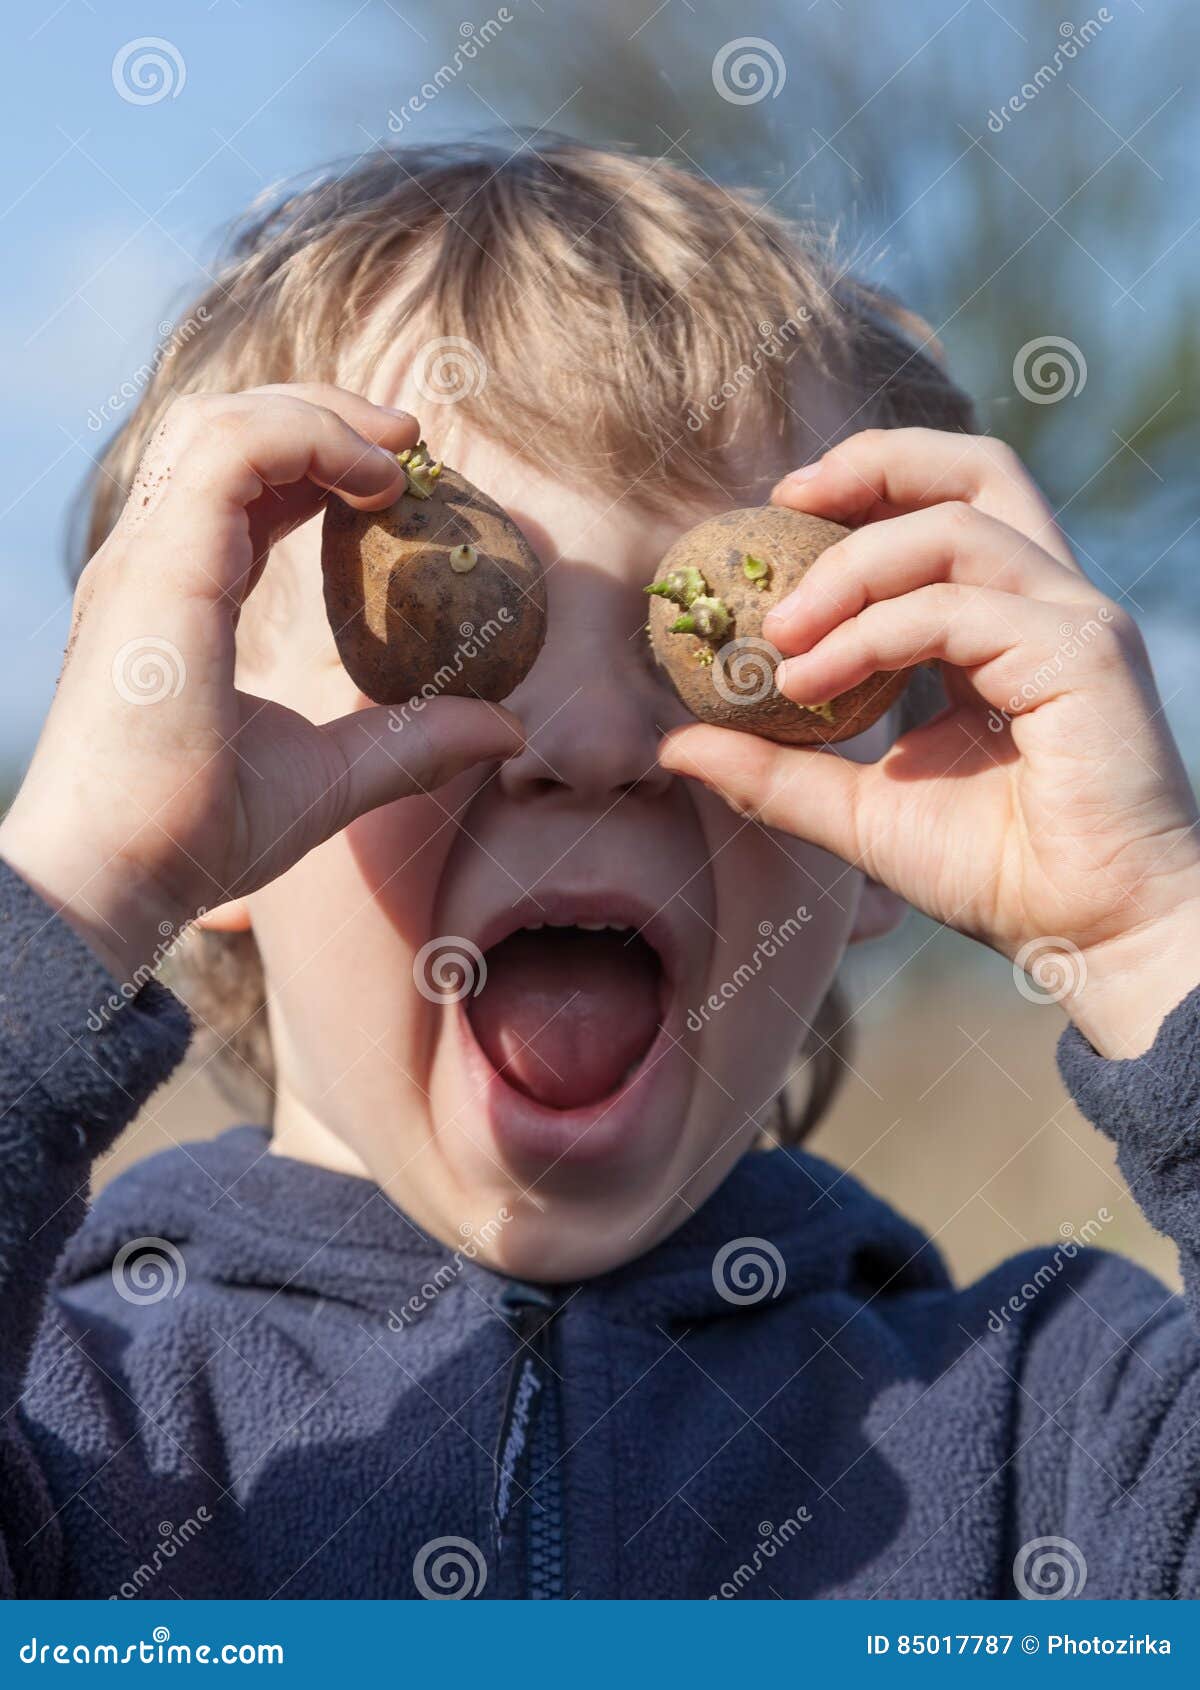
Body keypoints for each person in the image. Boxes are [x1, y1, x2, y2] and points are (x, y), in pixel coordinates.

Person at [2, 139, 1198, 1600]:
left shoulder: (1064, 1437)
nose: (585, 739)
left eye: (716, 649)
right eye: (448, 639)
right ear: (202, 797)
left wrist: (1150, 928)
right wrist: (71, 898)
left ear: (883, 787)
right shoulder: (70, 1426)